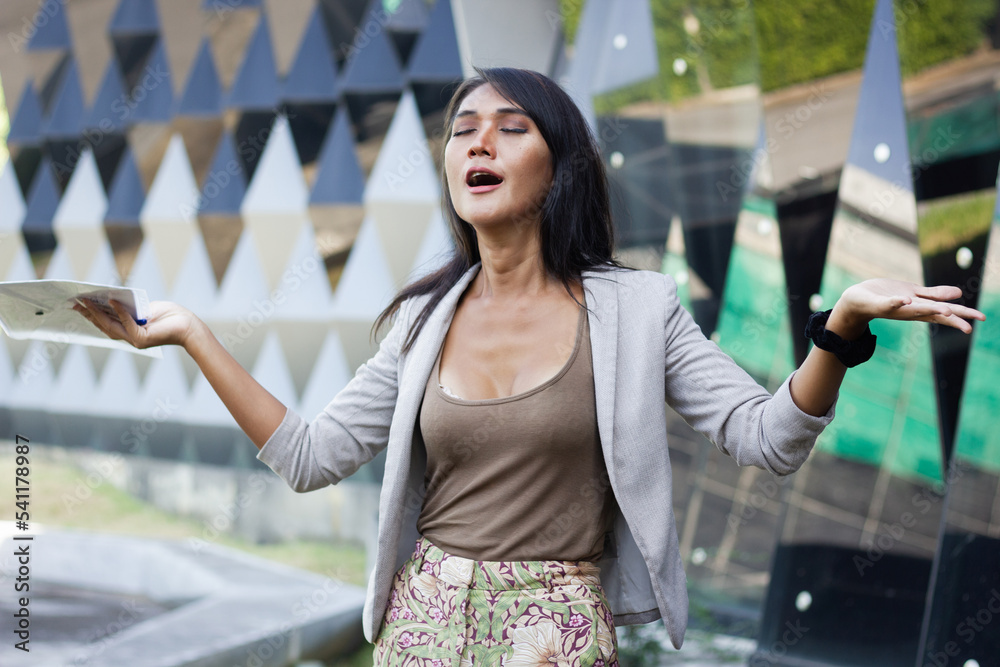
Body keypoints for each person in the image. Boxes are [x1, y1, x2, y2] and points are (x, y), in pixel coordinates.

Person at [75, 67, 985, 666]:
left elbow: (768, 438)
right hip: (422, 618)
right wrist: (194, 334)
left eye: (510, 129)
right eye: (463, 129)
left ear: (559, 167)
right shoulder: (421, 322)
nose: (478, 142)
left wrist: (840, 330)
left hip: (553, 627)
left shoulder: (637, 309)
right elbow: (312, 456)